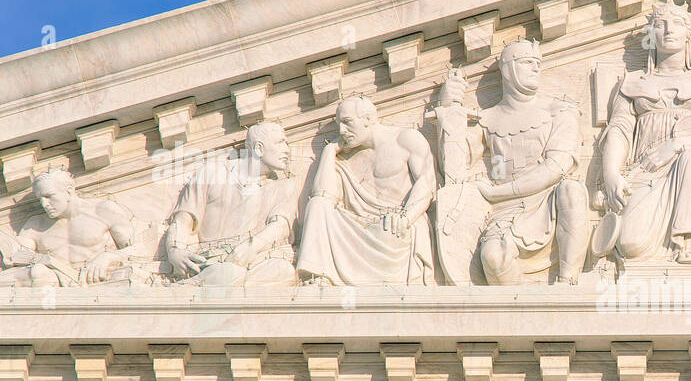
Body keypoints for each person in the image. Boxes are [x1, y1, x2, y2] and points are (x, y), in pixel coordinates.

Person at [596, 0, 691, 274]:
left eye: (677, 24)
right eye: (660, 25)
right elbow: (620, 130)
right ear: (651, 34)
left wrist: (677, 146)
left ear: (690, 32)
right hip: (646, 173)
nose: (668, 30)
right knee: (630, 244)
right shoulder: (632, 83)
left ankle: (690, 243)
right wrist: (612, 173)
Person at [431, 41, 588, 285]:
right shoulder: (488, 119)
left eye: (538, 63)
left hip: (548, 200)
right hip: (507, 209)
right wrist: (449, 109)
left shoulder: (559, 110)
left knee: (573, 190)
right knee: (493, 257)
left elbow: (557, 166)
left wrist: (496, 192)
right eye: (527, 62)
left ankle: (567, 282)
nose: (535, 68)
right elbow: (455, 172)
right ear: (507, 69)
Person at [297, 96, 435, 286]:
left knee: (390, 231)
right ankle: (319, 277)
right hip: (356, 226)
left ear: (368, 119)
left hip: (393, 225)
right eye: (339, 124)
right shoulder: (343, 157)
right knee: (317, 205)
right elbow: (323, 195)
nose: (341, 131)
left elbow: (426, 183)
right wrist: (330, 151)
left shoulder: (405, 139)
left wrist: (406, 217)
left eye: (347, 122)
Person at [164, 121, 298, 286]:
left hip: (253, 262)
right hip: (211, 259)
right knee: (226, 273)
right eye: (280, 143)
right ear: (259, 148)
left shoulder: (282, 187)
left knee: (283, 270)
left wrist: (252, 247)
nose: (287, 150)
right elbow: (183, 221)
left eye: (287, 143)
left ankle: (211, 283)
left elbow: (280, 226)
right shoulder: (212, 172)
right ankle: (196, 283)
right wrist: (174, 250)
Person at [0, 169, 138, 287]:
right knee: (36, 272)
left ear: (69, 191)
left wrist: (108, 257)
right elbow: (18, 255)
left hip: (100, 284)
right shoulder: (35, 225)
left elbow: (139, 249)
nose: (44, 204)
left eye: (49, 196)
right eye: (40, 199)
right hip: (53, 288)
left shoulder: (103, 210)